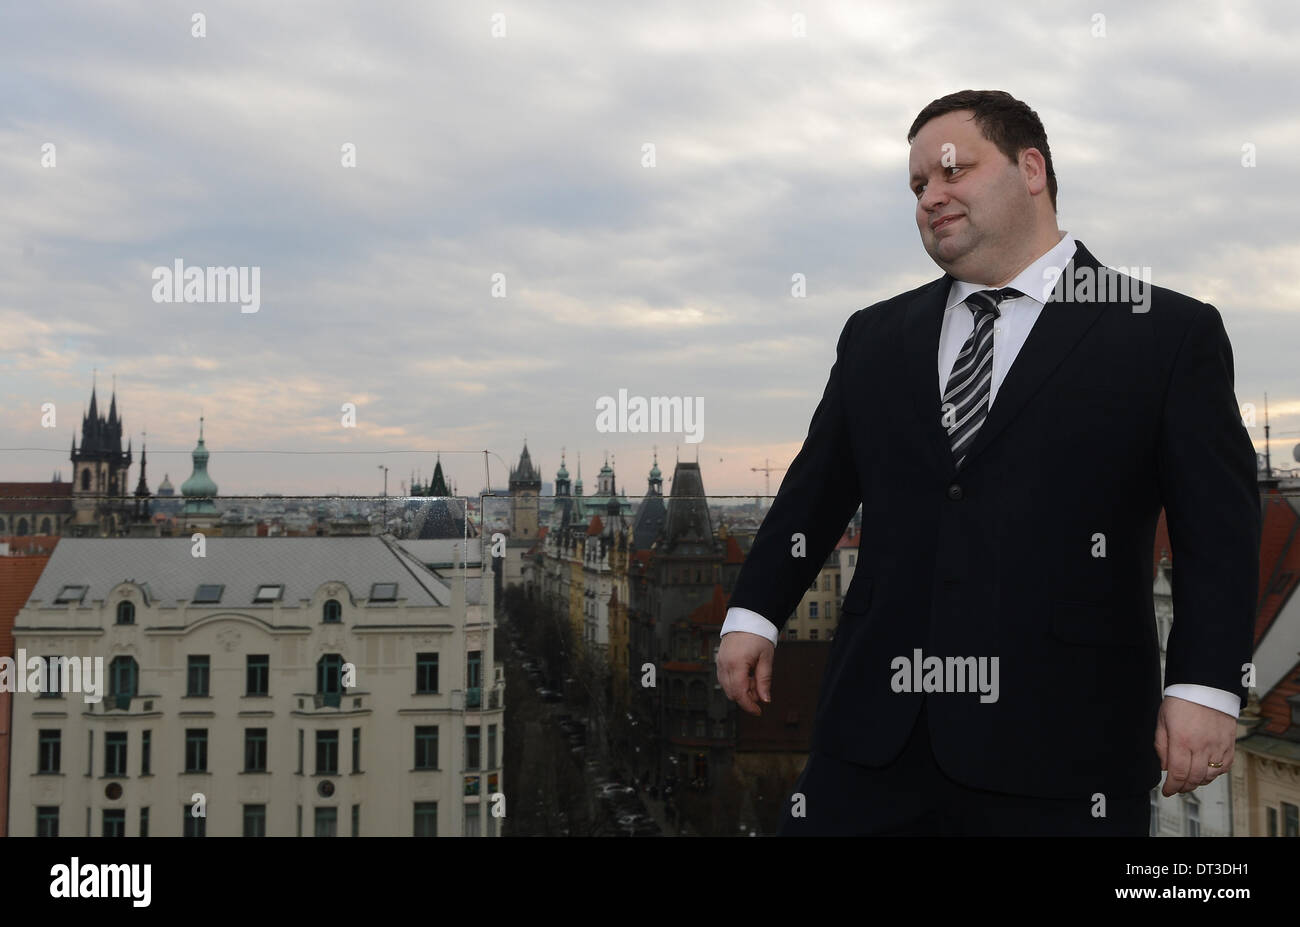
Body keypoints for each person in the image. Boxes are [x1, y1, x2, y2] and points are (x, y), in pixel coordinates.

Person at [717, 89, 1260, 836]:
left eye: (951, 171)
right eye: (916, 186)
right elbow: (814, 491)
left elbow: (1219, 532)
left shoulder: (1166, 334)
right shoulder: (876, 336)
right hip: (870, 742)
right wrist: (754, 612)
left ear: (1030, 168)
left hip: (1065, 754)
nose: (930, 196)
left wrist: (1203, 685)